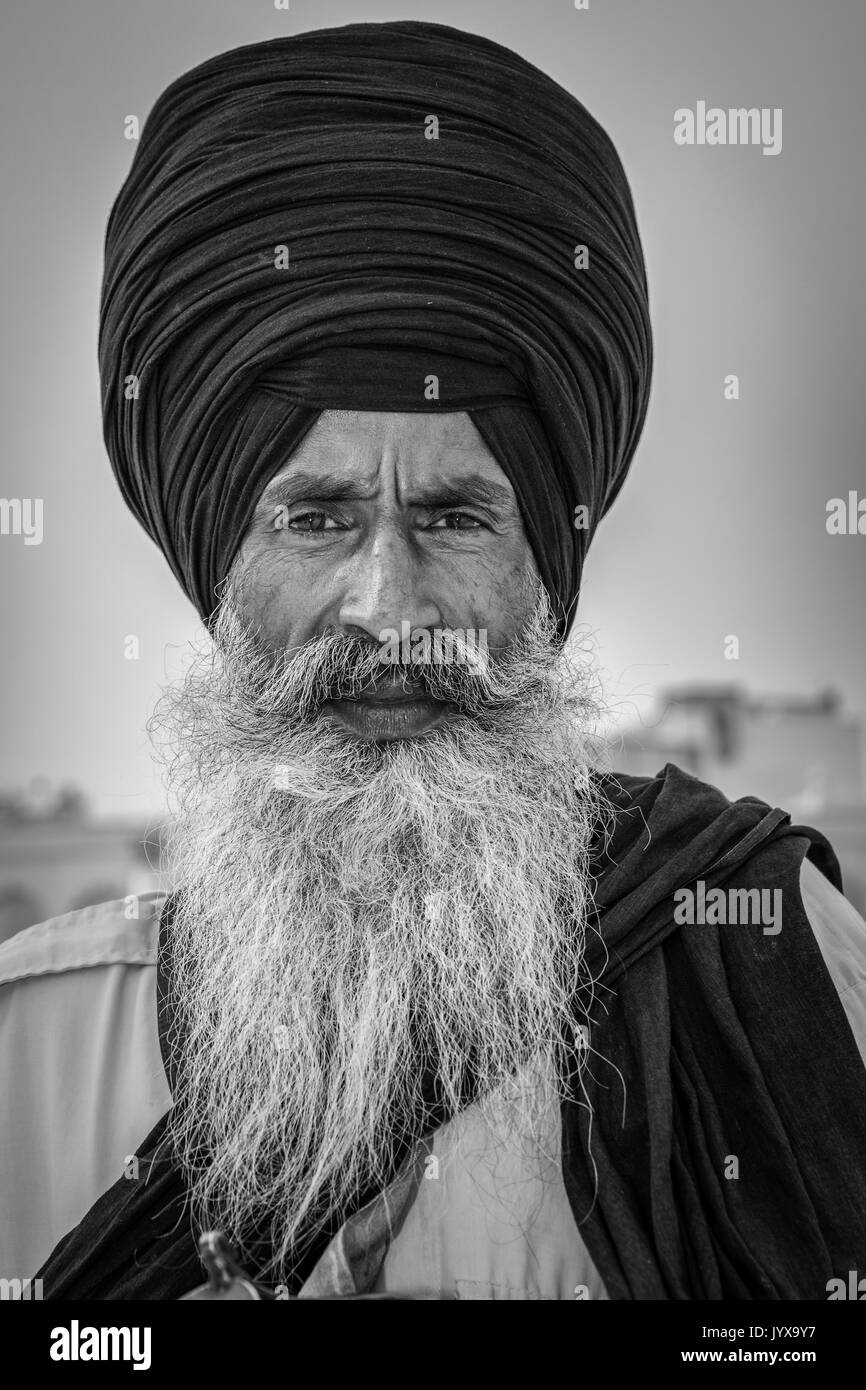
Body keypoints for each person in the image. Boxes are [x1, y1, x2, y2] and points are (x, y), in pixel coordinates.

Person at [2, 19, 865, 1302]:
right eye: (315, 516)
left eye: (456, 515)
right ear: (213, 558)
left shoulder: (776, 963)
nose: (388, 607)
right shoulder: (32, 1049)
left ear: (548, 561)